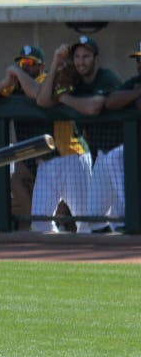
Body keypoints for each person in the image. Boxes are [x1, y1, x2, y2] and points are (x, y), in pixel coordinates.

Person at [0, 45, 91, 233]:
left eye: (30, 63)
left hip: (71, 156)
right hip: (45, 161)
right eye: (21, 63)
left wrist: (18, 74)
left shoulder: (47, 79)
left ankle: (92, 260)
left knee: (86, 220)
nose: (24, 67)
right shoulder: (15, 86)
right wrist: (5, 82)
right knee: (40, 222)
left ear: (41, 66)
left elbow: (39, 94)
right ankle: (55, 259)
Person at [37, 36, 122, 233]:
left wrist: (64, 97)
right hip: (103, 153)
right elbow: (42, 101)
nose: (80, 61)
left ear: (95, 59)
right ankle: (108, 259)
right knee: (94, 218)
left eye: (86, 56)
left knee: (125, 215)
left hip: (123, 150)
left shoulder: (106, 77)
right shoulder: (74, 79)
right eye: (77, 56)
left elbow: (93, 107)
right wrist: (56, 63)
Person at [99, 41, 141, 232]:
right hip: (134, 147)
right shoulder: (134, 83)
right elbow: (110, 101)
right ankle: (130, 216)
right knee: (114, 157)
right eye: (138, 59)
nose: (139, 64)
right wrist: (137, 92)